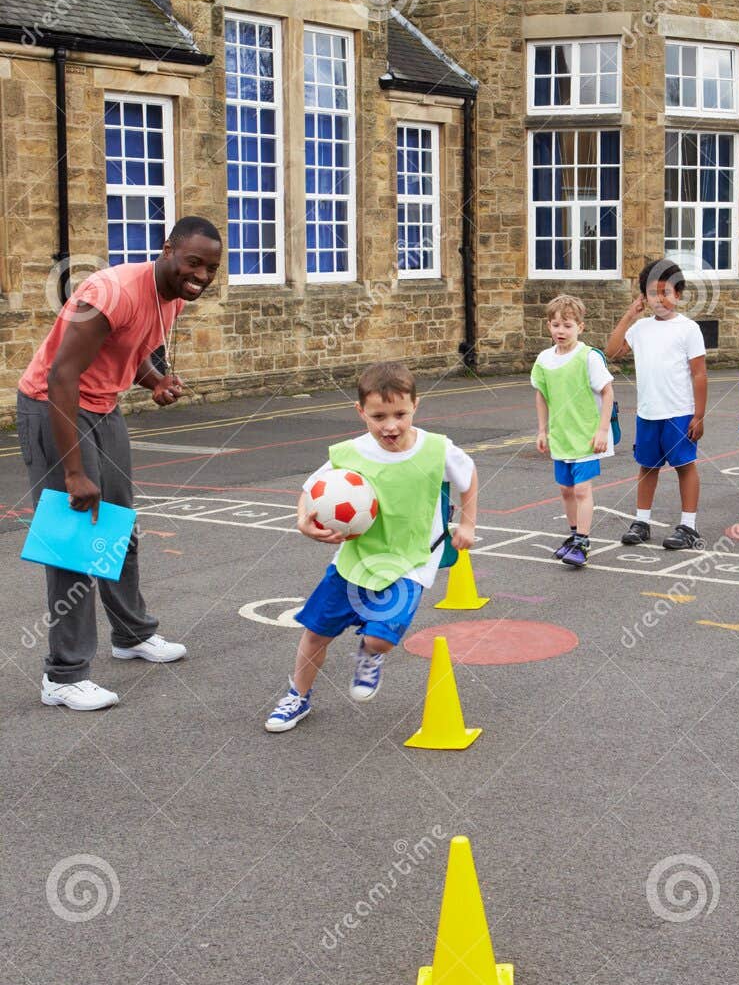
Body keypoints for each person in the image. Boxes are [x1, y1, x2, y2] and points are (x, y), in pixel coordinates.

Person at [16, 217, 223, 711]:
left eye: (212, 267)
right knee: (76, 539)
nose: (202, 275)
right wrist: (73, 471)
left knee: (119, 526)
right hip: (55, 408)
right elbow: (61, 375)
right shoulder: (110, 292)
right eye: (194, 262)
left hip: (103, 408)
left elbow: (132, 348)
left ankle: (130, 634)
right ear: (168, 249)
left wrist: (153, 379)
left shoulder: (170, 295)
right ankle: (63, 676)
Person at [265, 361, 477, 733]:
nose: (390, 425)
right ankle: (297, 696)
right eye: (379, 416)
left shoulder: (437, 449)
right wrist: (303, 521)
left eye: (400, 414)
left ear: (416, 406)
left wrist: (469, 523)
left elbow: (468, 476)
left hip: (410, 562)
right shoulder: (349, 454)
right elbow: (311, 489)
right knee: (315, 632)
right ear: (360, 411)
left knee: (380, 639)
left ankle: (369, 656)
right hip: (356, 560)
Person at [605, 258, 707, 550]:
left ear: (679, 294)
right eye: (652, 293)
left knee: (684, 466)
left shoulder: (688, 329)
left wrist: (698, 415)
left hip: (679, 412)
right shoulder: (640, 329)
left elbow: (699, 374)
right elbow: (612, 352)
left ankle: (688, 526)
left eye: (666, 291)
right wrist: (629, 316)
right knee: (647, 467)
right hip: (648, 412)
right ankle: (642, 521)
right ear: (643, 297)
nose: (659, 298)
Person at [531, 294, 614, 568]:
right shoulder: (544, 359)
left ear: (580, 327)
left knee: (581, 490)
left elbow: (607, 391)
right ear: (548, 326)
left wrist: (603, 430)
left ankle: (583, 541)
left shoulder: (588, 357)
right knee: (566, 489)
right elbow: (541, 395)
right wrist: (542, 430)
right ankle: (573, 535)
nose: (561, 331)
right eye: (556, 325)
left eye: (567, 325)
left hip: (587, 435)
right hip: (561, 436)